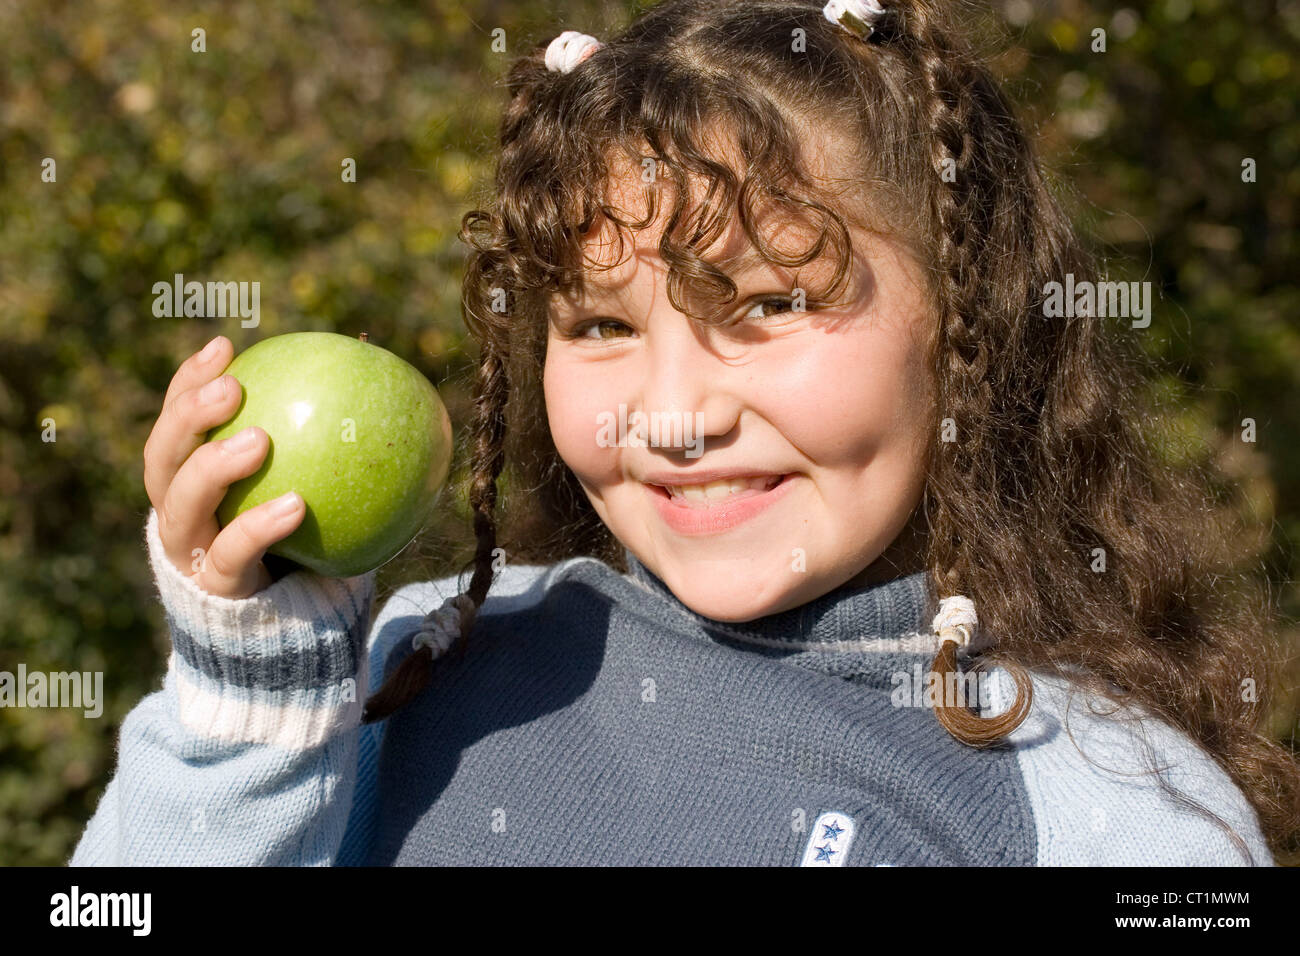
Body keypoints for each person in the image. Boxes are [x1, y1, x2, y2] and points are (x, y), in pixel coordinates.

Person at [72, 0, 1296, 866]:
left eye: (767, 303)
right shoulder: (405, 668)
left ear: (966, 327)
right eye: (600, 324)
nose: (672, 411)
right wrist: (244, 704)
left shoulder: (1102, 809)